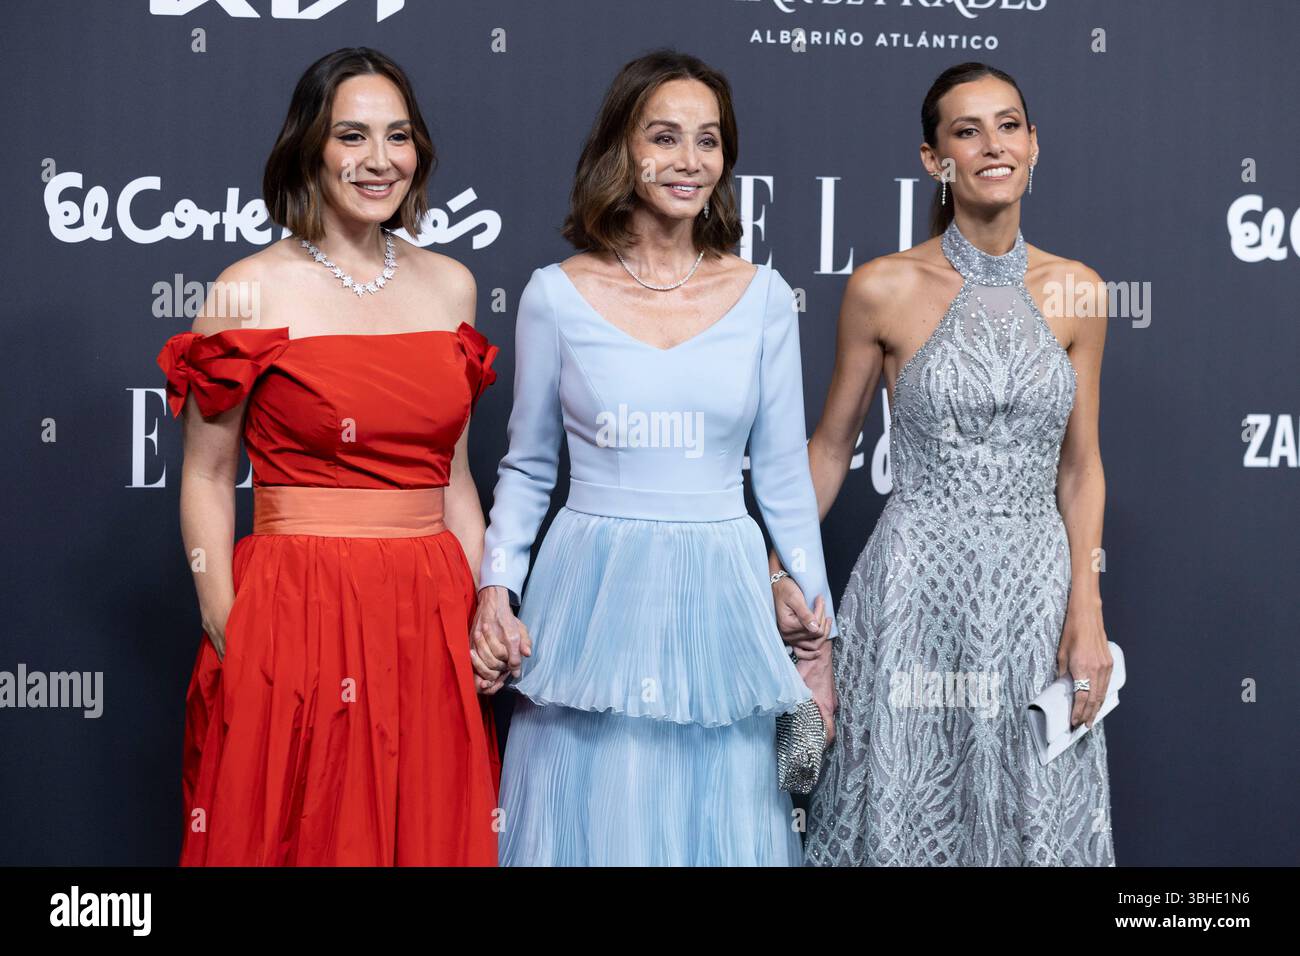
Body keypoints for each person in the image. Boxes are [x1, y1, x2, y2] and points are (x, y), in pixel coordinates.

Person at [470, 49, 836, 866]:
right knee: (595, 817)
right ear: (622, 150)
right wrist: (497, 587)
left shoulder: (766, 299)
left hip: (724, 598)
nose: (688, 161)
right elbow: (528, 466)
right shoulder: (554, 294)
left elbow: (780, 477)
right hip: (589, 597)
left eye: (708, 142)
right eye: (664, 137)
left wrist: (817, 647)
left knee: (722, 817)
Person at [157, 47, 501, 865]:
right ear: (311, 146)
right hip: (297, 606)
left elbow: (453, 478)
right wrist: (228, 624)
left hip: (429, 609)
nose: (378, 160)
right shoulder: (248, 288)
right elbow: (206, 474)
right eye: (353, 135)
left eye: (398, 137)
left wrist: (486, 601)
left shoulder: (452, 284)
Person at [800, 62, 1116, 865]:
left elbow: (1080, 469)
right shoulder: (883, 287)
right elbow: (831, 447)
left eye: (1009, 125)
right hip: (914, 594)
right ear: (934, 159)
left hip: (1035, 596)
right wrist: (779, 570)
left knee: (1033, 817)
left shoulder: (1078, 291)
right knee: (908, 811)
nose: (993, 146)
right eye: (966, 131)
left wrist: (1089, 614)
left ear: (1035, 144)